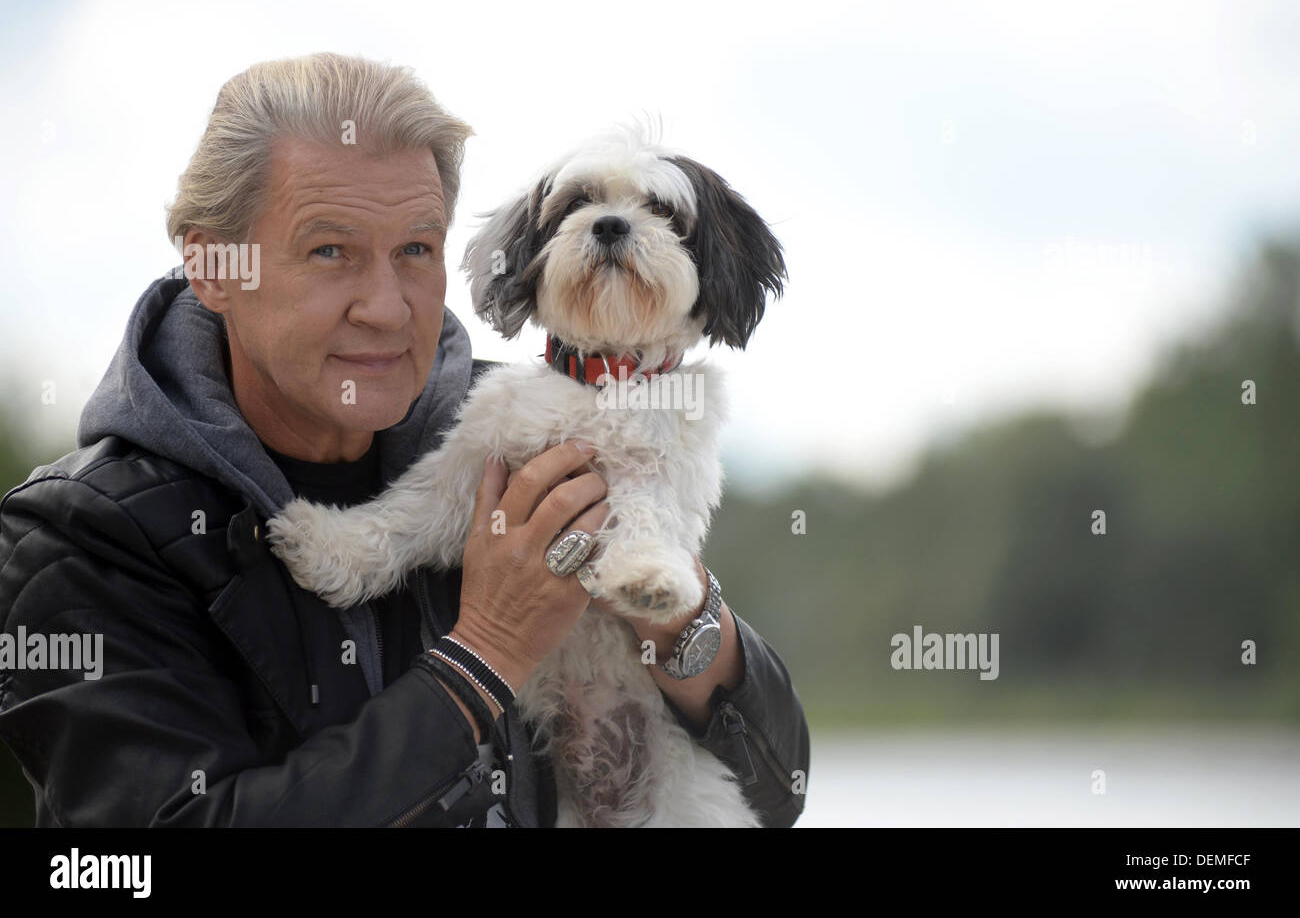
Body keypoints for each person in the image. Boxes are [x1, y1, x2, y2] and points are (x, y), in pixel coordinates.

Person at [0, 53, 809, 827]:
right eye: (330, 251)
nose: (386, 307)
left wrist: (692, 627)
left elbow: (780, 787)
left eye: (416, 249)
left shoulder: (534, 411)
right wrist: (483, 655)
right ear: (214, 266)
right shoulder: (79, 545)